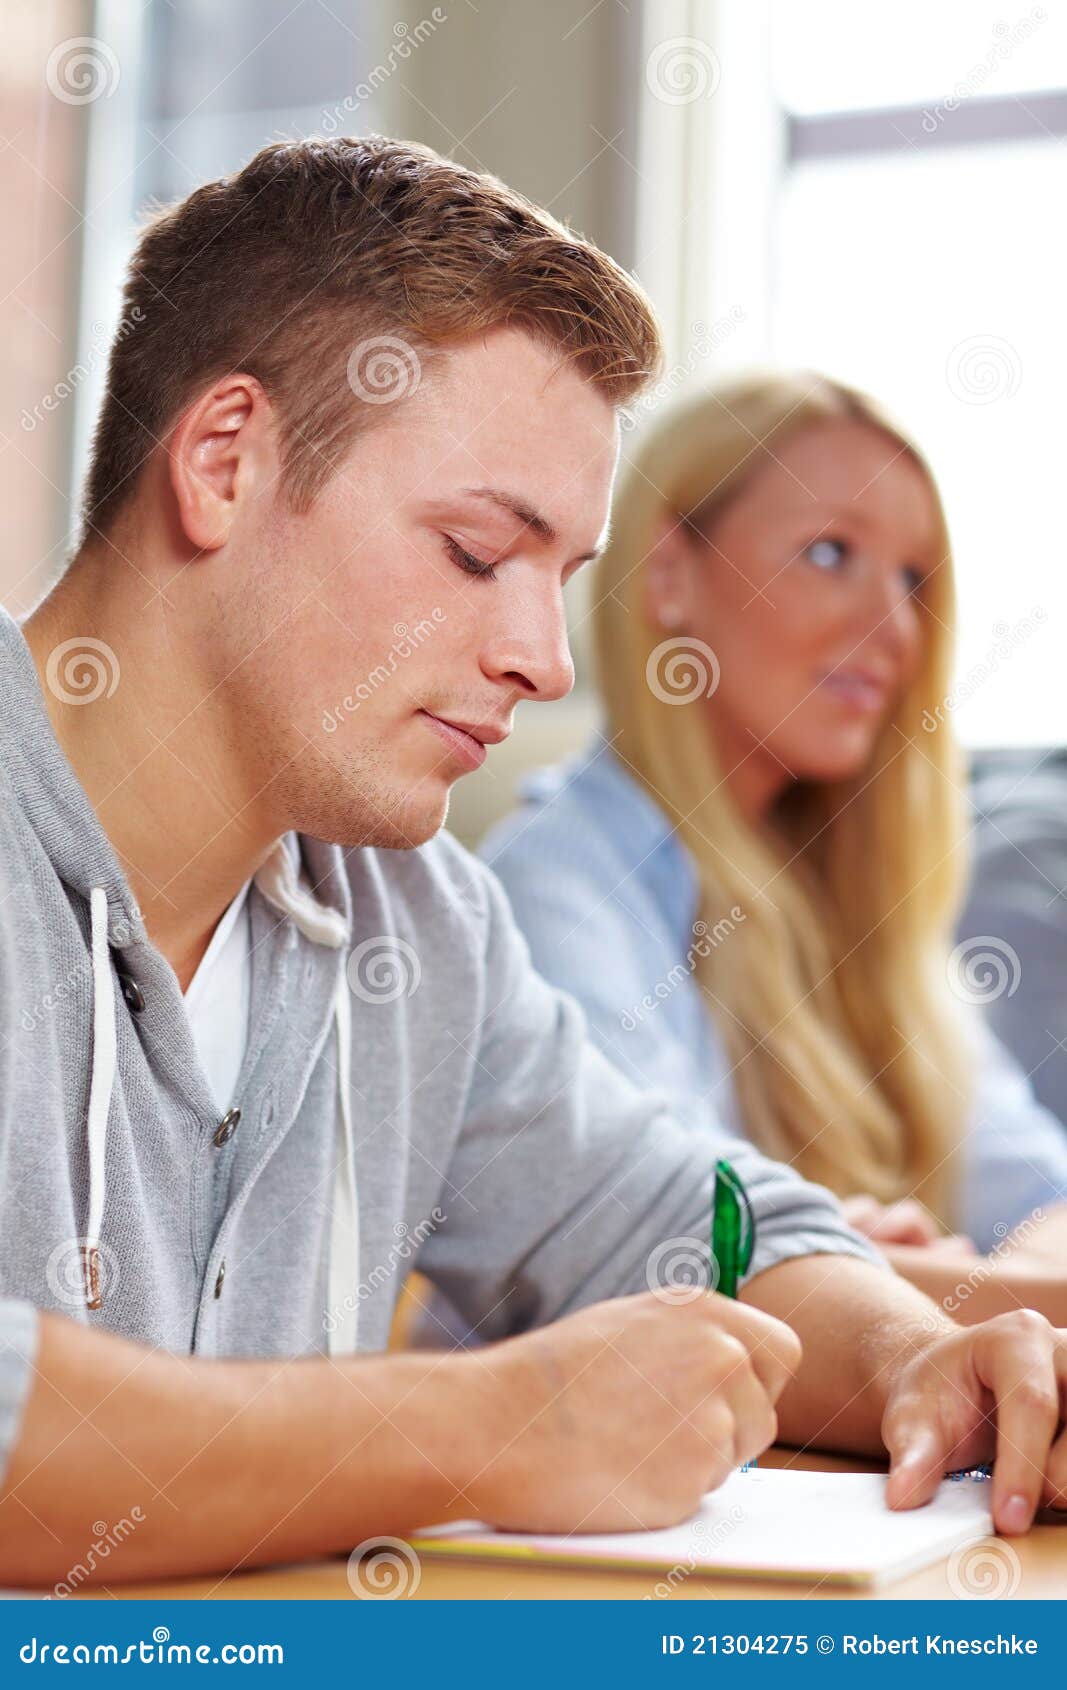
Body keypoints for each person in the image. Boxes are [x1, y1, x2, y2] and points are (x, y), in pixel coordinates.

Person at [2, 144, 1065, 1589]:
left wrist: (913, 1357)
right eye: (472, 549)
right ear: (224, 460)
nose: (543, 658)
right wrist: (489, 1421)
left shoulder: (413, 921)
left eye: (558, 576)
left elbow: (684, 1224)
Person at [482, 371, 1067, 1325]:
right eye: (830, 552)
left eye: (913, 579)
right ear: (667, 574)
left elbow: (1040, 1195)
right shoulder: (559, 885)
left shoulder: (864, 910)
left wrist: (922, 1278)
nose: (895, 631)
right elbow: (693, 1253)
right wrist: (878, 1274)